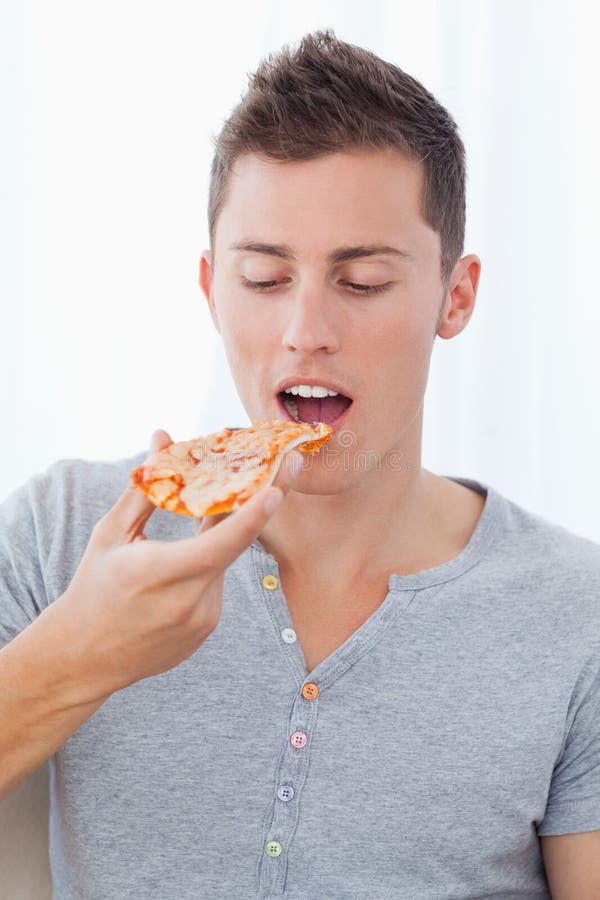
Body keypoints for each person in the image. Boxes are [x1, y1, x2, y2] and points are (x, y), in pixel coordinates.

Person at [1, 27, 599, 900]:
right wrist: (78, 654)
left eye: (360, 283)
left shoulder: (575, 614)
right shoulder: (64, 535)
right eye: (264, 278)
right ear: (210, 289)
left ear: (455, 296)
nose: (305, 331)